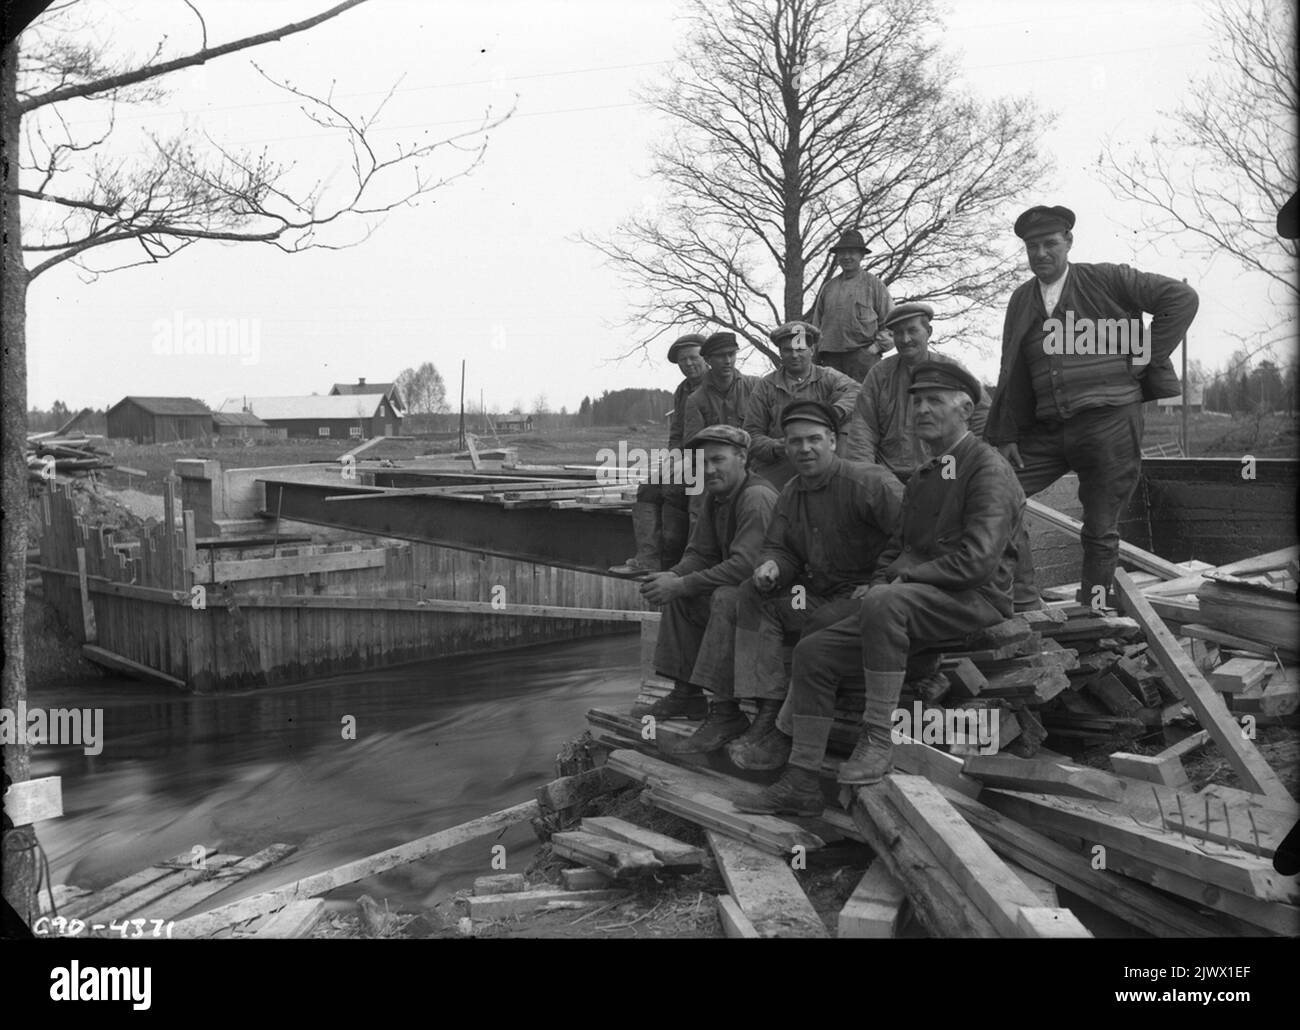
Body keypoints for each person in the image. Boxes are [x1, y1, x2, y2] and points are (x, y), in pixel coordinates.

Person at [738, 362, 1024, 815]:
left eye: (935, 401)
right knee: (814, 652)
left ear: (966, 409)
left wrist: (896, 582)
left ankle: (877, 737)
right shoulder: (929, 474)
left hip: (975, 598)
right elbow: (897, 548)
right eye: (916, 402)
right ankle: (801, 780)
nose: (922, 411)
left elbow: (977, 561)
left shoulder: (987, 469)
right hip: (915, 600)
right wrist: (879, 581)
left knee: (887, 601)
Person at [985, 205, 1199, 609]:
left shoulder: (1107, 279)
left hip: (1109, 425)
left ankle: (1094, 611)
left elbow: (1181, 298)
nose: (1041, 253)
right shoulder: (1020, 300)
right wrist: (1007, 432)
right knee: (995, 494)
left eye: (1050, 243)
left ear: (1069, 242)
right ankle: (1025, 601)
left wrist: (1147, 352)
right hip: (1047, 431)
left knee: (1100, 529)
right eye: (1033, 246)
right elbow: (1009, 366)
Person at [727, 399, 903, 771]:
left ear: (834, 442)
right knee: (752, 595)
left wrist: (880, 582)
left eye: (814, 440)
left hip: (872, 602)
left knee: (823, 621)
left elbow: (914, 542)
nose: (804, 449)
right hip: (817, 592)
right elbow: (780, 547)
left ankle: (784, 734)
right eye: (795, 442)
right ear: (786, 446)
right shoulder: (791, 492)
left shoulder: (872, 483)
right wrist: (771, 565)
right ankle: (766, 705)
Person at [634, 425, 779, 735]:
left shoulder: (756, 497)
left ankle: (726, 710)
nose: (709, 470)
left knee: (718, 595)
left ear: (741, 458)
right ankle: (687, 694)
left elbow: (745, 565)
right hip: (747, 593)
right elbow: (701, 553)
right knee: (681, 592)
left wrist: (683, 583)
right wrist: (673, 576)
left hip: (775, 600)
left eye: (718, 460)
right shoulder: (715, 498)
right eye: (703, 464)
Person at [844, 302, 990, 480]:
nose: (905, 339)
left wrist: (964, 470)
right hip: (888, 477)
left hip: (942, 472)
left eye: (912, 331)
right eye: (898, 333)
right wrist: (867, 477)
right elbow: (862, 429)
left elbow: (983, 417)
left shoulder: (951, 370)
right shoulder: (879, 374)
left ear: (928, 332)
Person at [610, 334, 707, 574]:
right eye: (683, 360)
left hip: (707, 458)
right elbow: (677, 432)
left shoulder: (715, 385)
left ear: (705, 358)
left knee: (673, 491)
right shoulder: (682, 390)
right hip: (684, 458)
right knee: (648, 489)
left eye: (693, 357)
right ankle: (648, 558)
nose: (688, 364)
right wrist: (673, 457)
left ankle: (672, 562)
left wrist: (688, 462)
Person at [743, 321, 860, 488]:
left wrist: (834, 412)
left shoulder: (828, 377)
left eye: (800, 349)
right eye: (788, 350)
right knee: (762, 496)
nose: (794, 355)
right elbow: (751, 434)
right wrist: (776, 446)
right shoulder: (765, 386)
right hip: (780, 464)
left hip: (822, 460)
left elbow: (857, 391)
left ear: (812, 351)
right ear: (781, 353)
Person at [810, 228, 894, 381]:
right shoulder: (828, 288)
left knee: (865, 402)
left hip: (863, 359)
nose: (847, 257)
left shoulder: (874, 285)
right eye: (842, 253)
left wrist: (874, 349)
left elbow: (892, 323)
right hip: (830, 361)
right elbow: (816, 328)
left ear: (861, 255)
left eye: (852, 252)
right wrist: (813, 361)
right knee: (832, 403)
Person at [683, 332, 761, 445]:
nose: (728, 361)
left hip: (755, 458)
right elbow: (693, 446)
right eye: (721, 356)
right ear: (708, 360)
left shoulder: (756, 387)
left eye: (731, 354)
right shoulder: (696, 400)